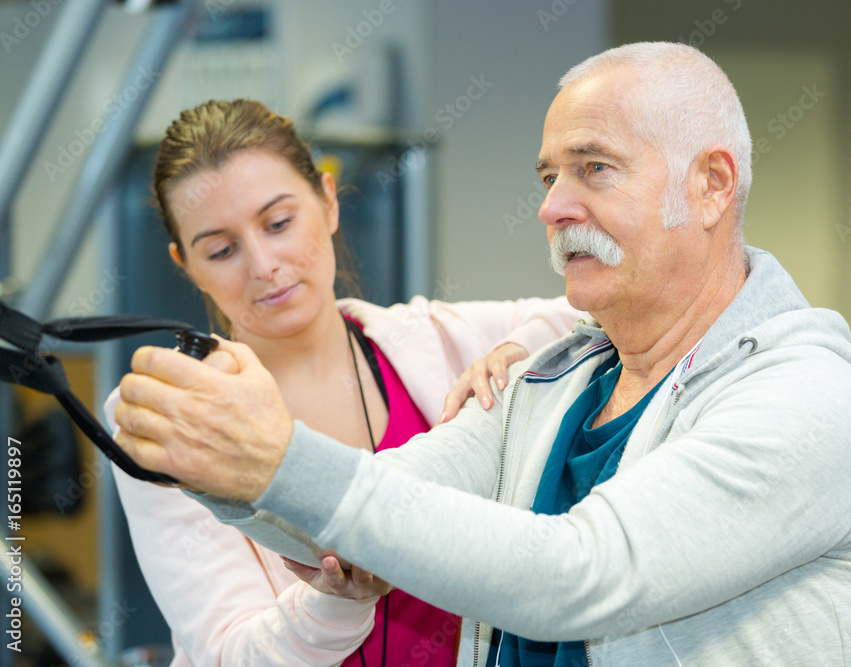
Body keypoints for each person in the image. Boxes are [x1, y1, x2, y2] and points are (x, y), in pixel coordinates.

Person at [113, 43, 851, 666]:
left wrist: (275, 461)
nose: (552, 206)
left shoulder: (805, 397)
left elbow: (579, 573)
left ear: (712, 185)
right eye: (549, 175)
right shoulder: (554, 380)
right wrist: (223, 470)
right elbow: (356, 514)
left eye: (593, 167)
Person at [102, 98, 583, 667]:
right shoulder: (174, 416)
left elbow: (591, 316)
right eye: (222, 249)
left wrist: (515, 348)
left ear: (328, 203)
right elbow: (228, 654)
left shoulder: (430, 339)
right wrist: (331, 603)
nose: (263, 264)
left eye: (279, 223)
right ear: (185, 264)